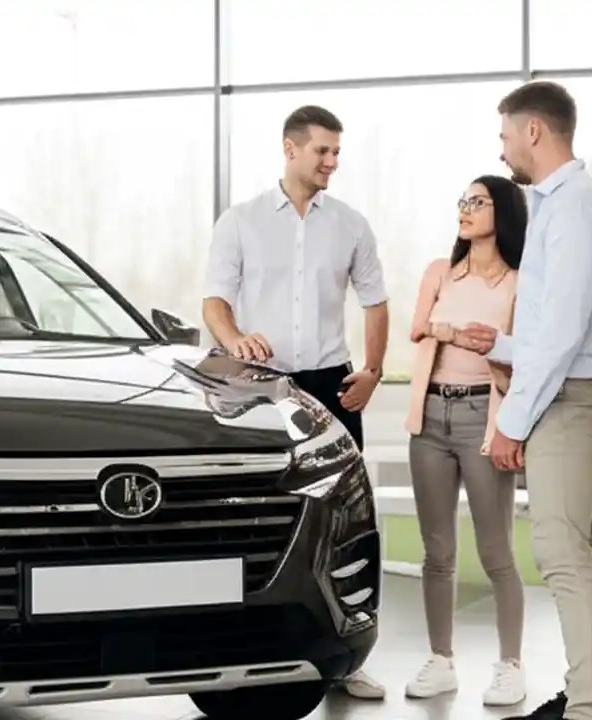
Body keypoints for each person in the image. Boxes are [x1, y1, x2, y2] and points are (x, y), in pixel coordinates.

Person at [202, 104, 390, 701]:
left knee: (344, 522)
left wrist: (373, 372)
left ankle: (347, 657)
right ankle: (240, 647)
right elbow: (214, 302)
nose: (332, 162)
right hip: (258, 386)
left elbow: (376, 302)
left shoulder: (351, 225)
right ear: (290, 149)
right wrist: (235, 340)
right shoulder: (240, 221)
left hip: (334, 385)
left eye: (336, 152)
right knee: (251, 517)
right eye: (322, 151)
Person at [457, 81, 592, 720]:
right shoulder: (559, 203)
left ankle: (590, 709)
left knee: (560, 553)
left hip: (574, 395)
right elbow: (553, 324)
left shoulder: (577, 204)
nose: (502, 150)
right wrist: (503, 343)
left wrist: (511, 420)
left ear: (533, 130)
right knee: (582, 546)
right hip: (571, 385)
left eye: (505, 135)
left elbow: (562, 331)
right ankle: (590, 693)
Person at [403, 175, 528, 707]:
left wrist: (487, 345)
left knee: (496, 550)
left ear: (504, 212)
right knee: (437, 551)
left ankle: (510, 666)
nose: (467, 209)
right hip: (430, 416)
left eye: (479, 201)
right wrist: (457, 334)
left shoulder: (519, 282)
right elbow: (417, 328)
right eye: (464, 201)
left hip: (485, 415)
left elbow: (523, 354)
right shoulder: (440, 272)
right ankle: (441, 660)